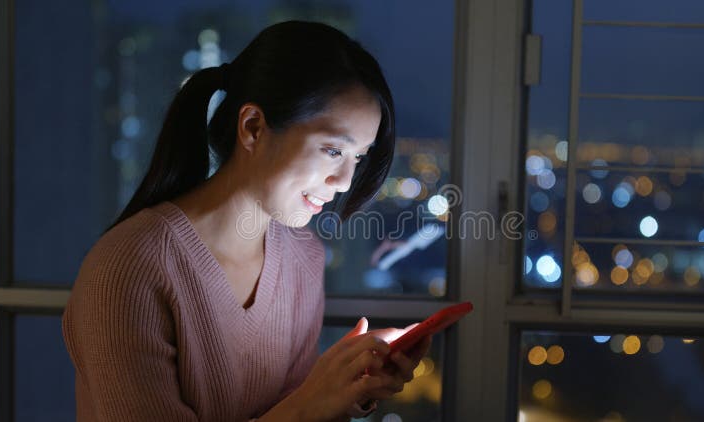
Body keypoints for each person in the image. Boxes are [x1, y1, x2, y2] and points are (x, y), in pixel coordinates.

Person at [62, 20, 431, 421]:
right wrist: (316, 397)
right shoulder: (128, 267)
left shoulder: (303, 258)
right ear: (253, 127)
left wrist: (350, 384)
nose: (344, 180)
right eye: (331, 150)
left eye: (357, 157)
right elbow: (298, 412)